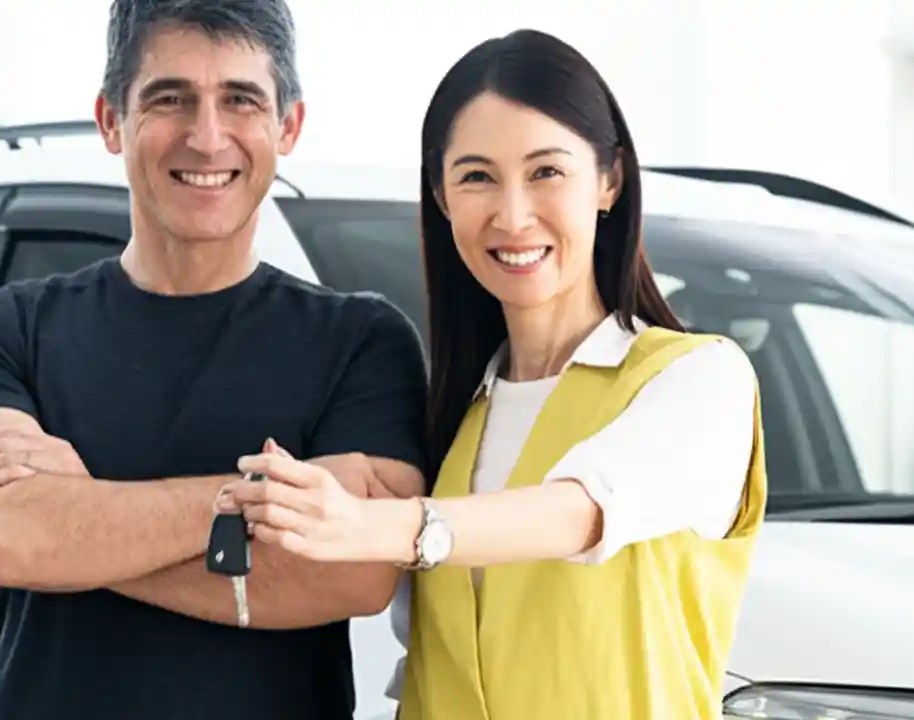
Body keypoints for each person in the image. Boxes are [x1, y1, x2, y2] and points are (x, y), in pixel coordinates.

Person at [219, 29, 767, 719]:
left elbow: (581, 512)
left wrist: (382, 525)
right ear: (443, 197)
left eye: (546, 172)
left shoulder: (697, 382)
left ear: (609, 180)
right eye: (477, 176)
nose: (512, 215)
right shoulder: (455, 417)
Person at [0, 1, 426, 718]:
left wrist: (79, 522)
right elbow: (8, 538)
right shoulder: (6, 330)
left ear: (288, 126)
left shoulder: (364, 341)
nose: (207, 135)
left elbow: (356, 574)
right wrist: (272, 508)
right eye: (170, 98)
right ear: (111, 121)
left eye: (240, 100)